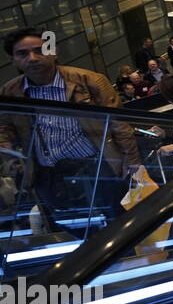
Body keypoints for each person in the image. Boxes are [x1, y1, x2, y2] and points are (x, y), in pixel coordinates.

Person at [0, 28, 142, 231]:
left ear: (54, 51)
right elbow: (5, 127)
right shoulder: (10, 91)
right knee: (70, 228)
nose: (32, 58)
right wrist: (12, 160)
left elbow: (118, 124)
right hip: (48, 175)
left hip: (95, 168)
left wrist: (133, 163)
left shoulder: (89, 81)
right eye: (22, 54)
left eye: (40, 50)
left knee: (117, 225)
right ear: (13, 59)